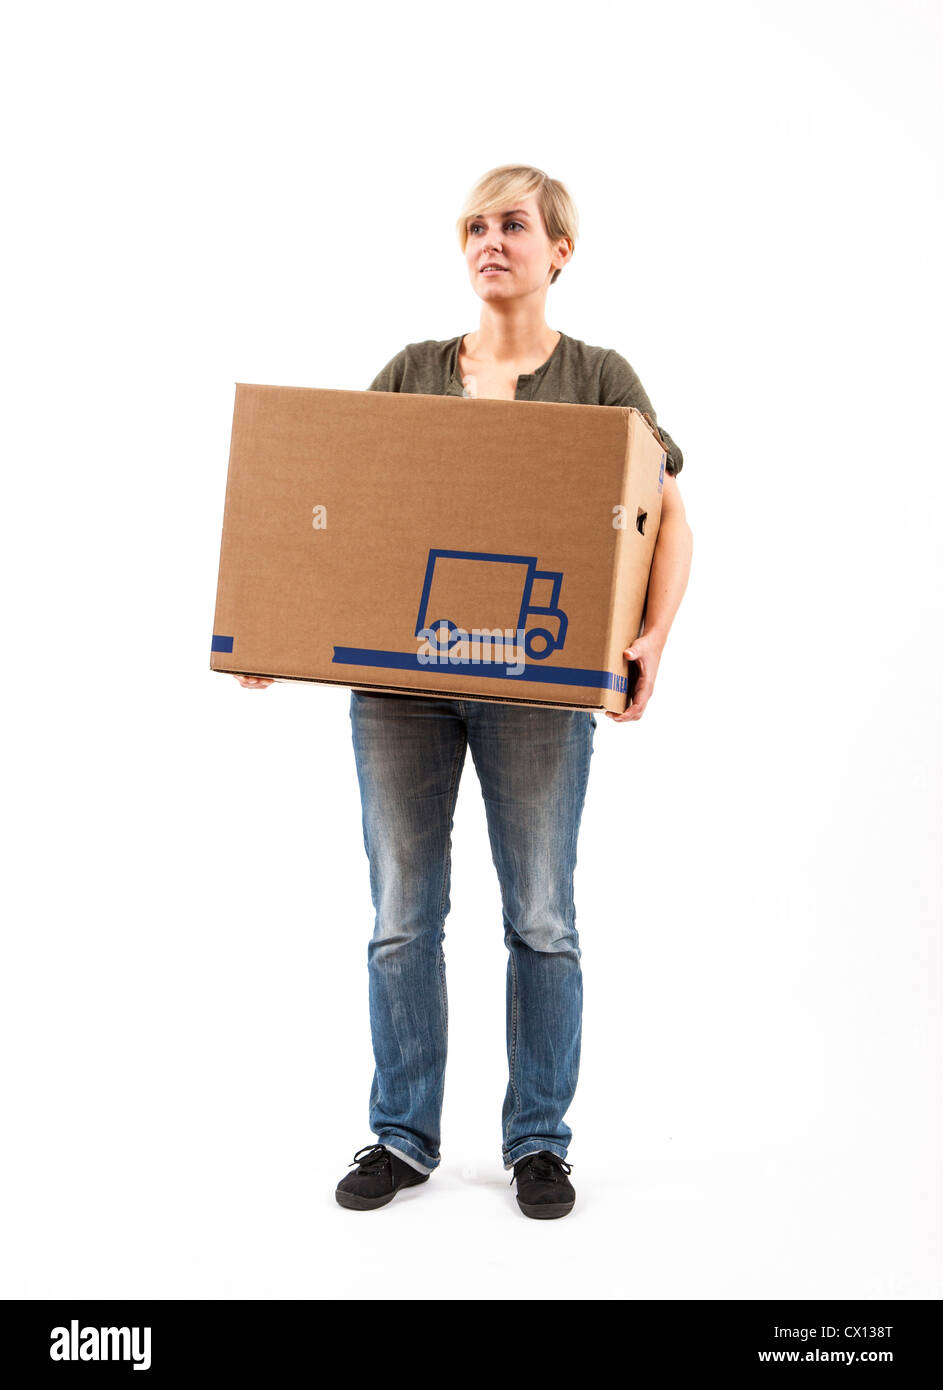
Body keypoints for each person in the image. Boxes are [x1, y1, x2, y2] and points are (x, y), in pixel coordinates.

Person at [234, 165, 693, 1219]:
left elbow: (667, 515)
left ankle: (538, 1140)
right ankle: (402, 1135)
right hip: (404, 686)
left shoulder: (599, 378)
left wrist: (651, 641)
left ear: (558, 251)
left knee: (540, 916)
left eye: (515, 224)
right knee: (403, 915)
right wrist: (276, 622)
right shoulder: (410, 369)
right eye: (476, 225)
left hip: (535, 689)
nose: (492, 239)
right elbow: (335, 510)